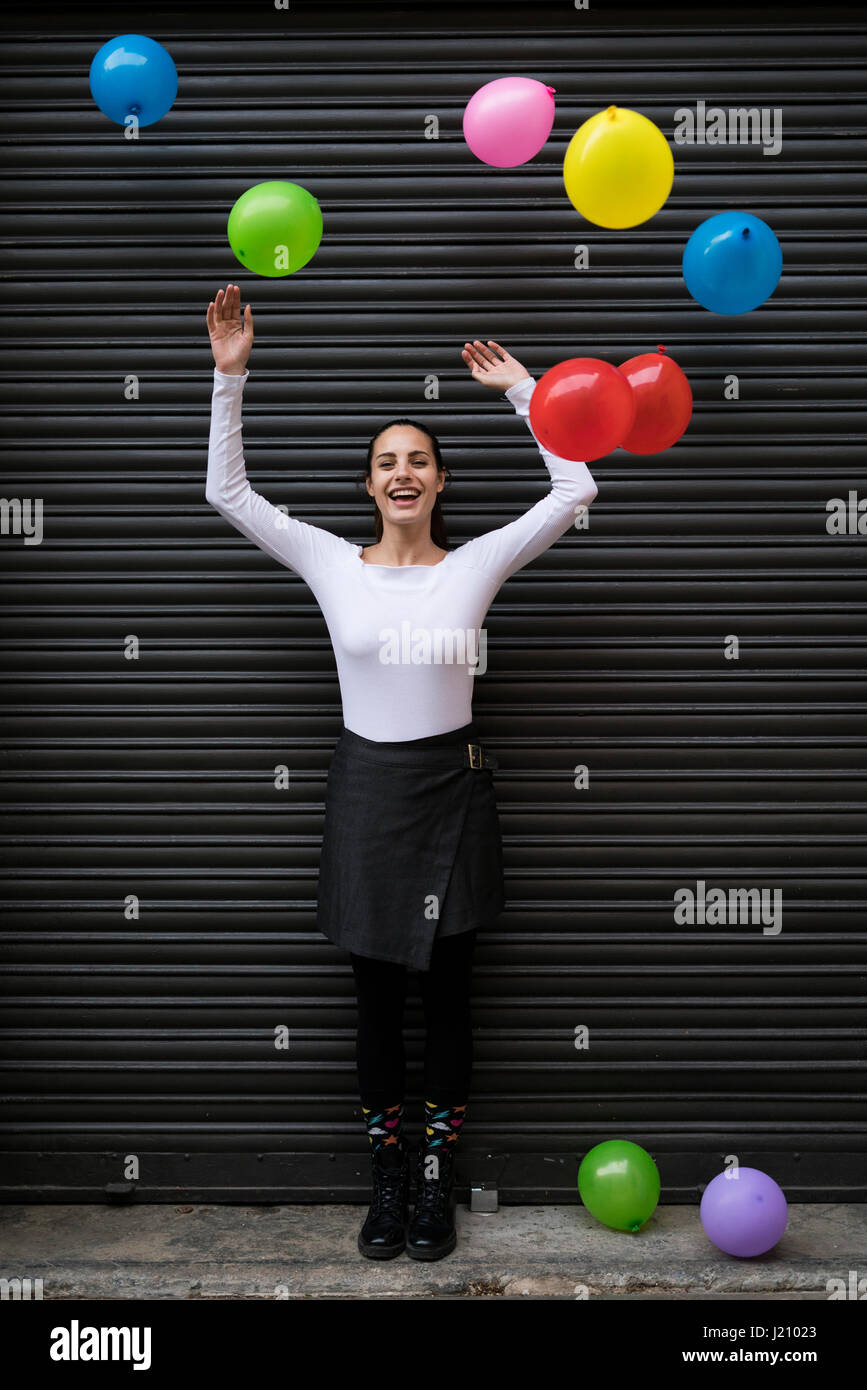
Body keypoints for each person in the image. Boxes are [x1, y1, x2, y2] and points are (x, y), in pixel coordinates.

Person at [205, 283, 598, 1262]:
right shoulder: (333, 562)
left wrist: (528, 393)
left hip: (452, 793)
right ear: (369, 485)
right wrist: (230, 378)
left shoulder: (475, 567)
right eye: (387, 462)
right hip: (367, 793)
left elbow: (577, 490)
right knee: (376, 999)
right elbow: (228, 494)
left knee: (451, 999)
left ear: (442, 477)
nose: (403, 472)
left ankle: (436, 1183)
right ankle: (387, 1180)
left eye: (418, 458)